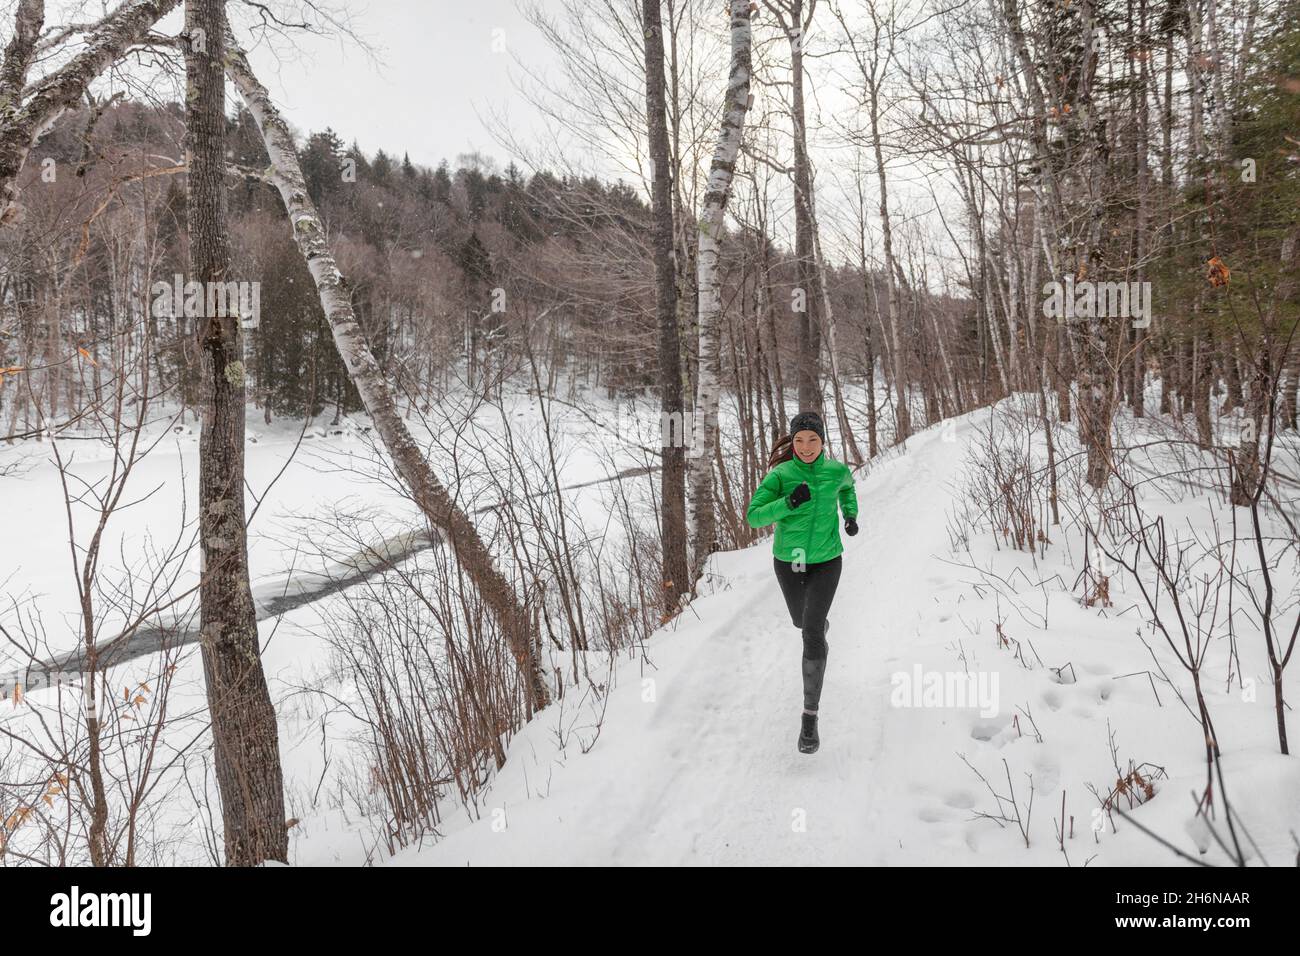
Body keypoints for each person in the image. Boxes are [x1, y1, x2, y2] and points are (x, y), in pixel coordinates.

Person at [745, 410, 858, 754]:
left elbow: (847, 490)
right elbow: (754, 516)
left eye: (813, 440)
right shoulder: (781, 475)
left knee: (809, 632)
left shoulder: (837, 471)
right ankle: (815, 627)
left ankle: (810, 718)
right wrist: (789, 502)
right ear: (792, 443)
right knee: (802, 621)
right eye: (799, 440)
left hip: (827, 561)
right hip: (790, 561)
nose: (806, 447)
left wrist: (850, 515)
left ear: (823, 441)